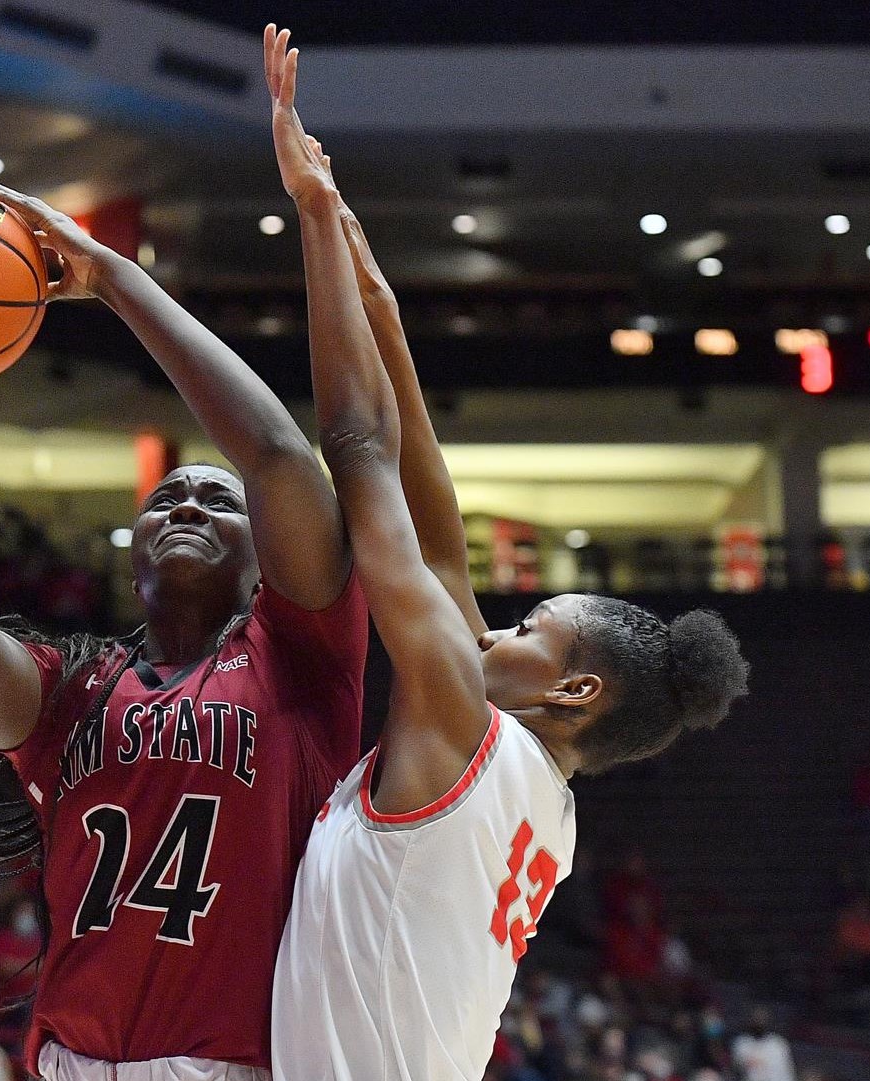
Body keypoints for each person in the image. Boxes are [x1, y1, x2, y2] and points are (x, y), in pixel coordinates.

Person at [256, 27, 750, 1081]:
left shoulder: (465, 736)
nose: (490, 623)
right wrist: (371, 292)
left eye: (527, 627)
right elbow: (439, 544)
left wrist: (312, 223)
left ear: (573, 686)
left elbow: (359, 453)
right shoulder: (538, 801)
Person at [0, 161, 368, 1078]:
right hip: (69, 1060)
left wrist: (112, 279)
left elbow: (278, 452)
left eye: (218, 499)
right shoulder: (75, 690)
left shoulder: (304, 655)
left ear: (263, 562)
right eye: (166, 499)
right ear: (130, 557)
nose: (190, 507)